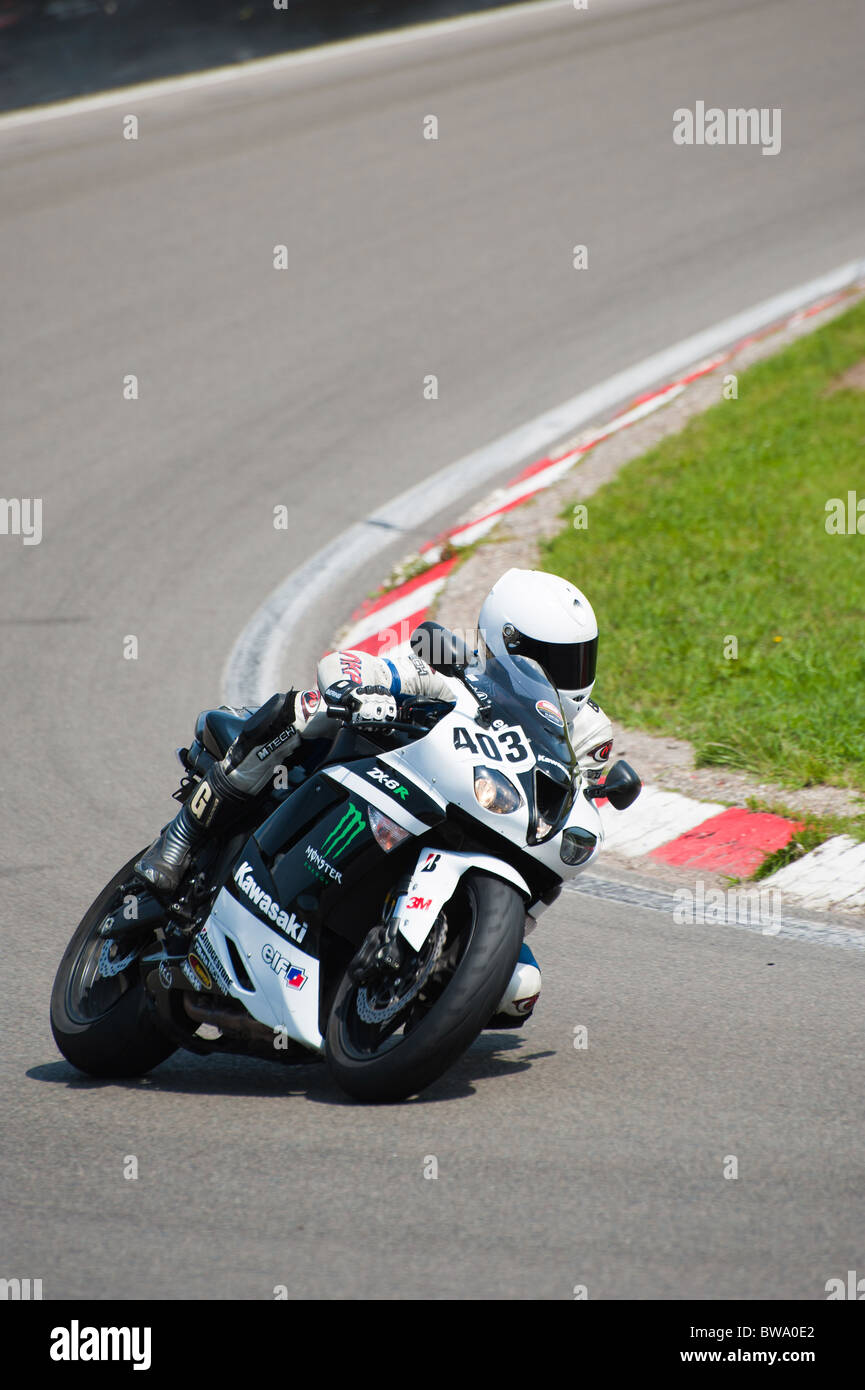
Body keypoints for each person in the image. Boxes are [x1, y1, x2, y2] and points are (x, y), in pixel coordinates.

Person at [136, 569, 614, 1024]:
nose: (569, 675)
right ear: (508, 643)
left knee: (518, 986)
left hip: (487, 813)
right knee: (308, 709)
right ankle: (181, 838)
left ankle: (454, 944)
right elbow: (349, 663)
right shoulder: (455, 669)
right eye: (555, 660)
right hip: (378, 769)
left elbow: (581, 788)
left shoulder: (590, 731)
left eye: (580, 659)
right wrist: (357, 688)